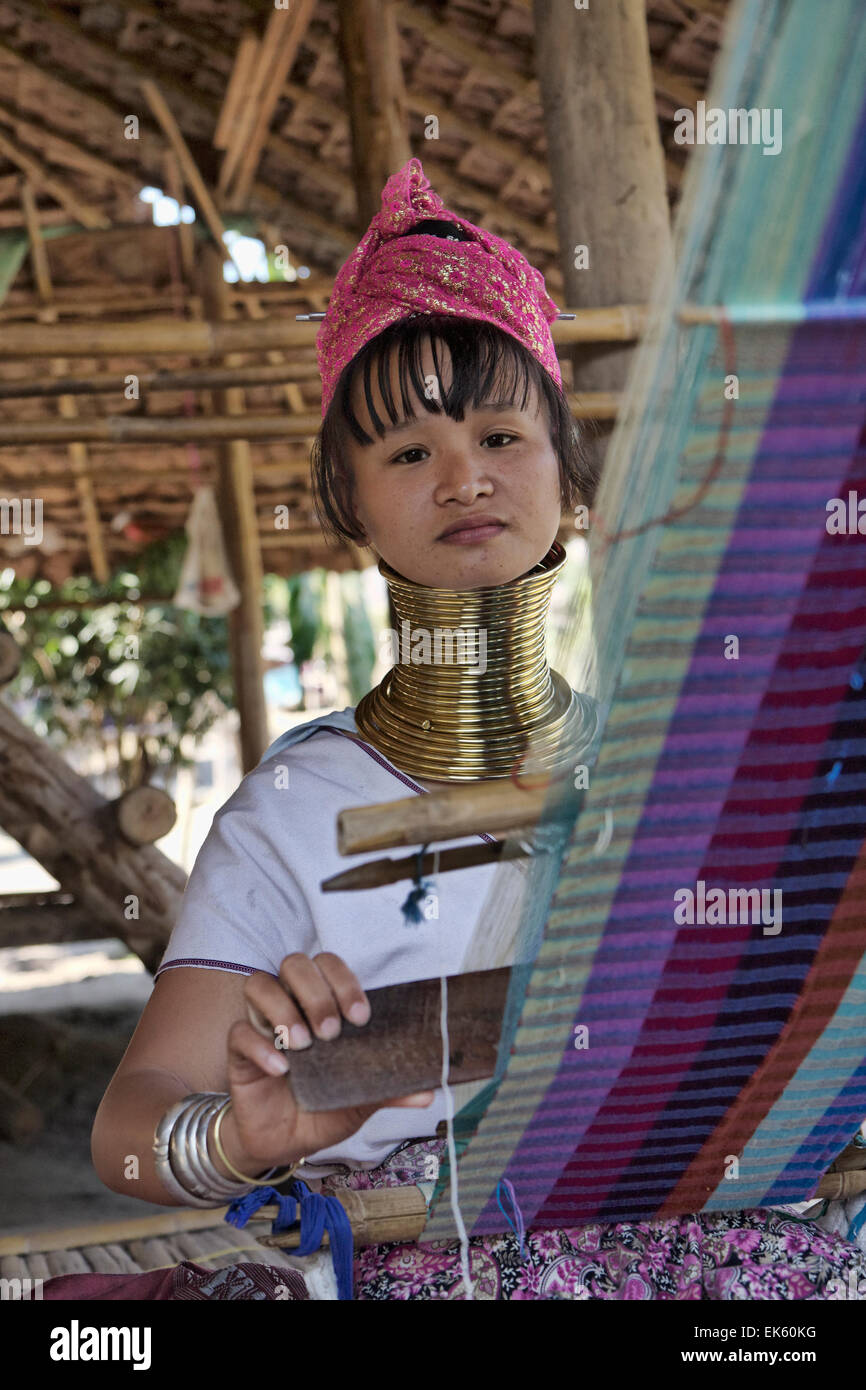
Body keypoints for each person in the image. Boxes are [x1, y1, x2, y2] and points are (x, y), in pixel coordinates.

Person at [84, 159, 866, 1302]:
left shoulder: (678, 773)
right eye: (409, 452)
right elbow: (125, 1133)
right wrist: (248, 1138)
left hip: (712, 1237)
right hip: (436, 1256)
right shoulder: (297, 813)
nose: (465, 479)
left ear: (565, 468)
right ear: (348, 500)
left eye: (502, 436)